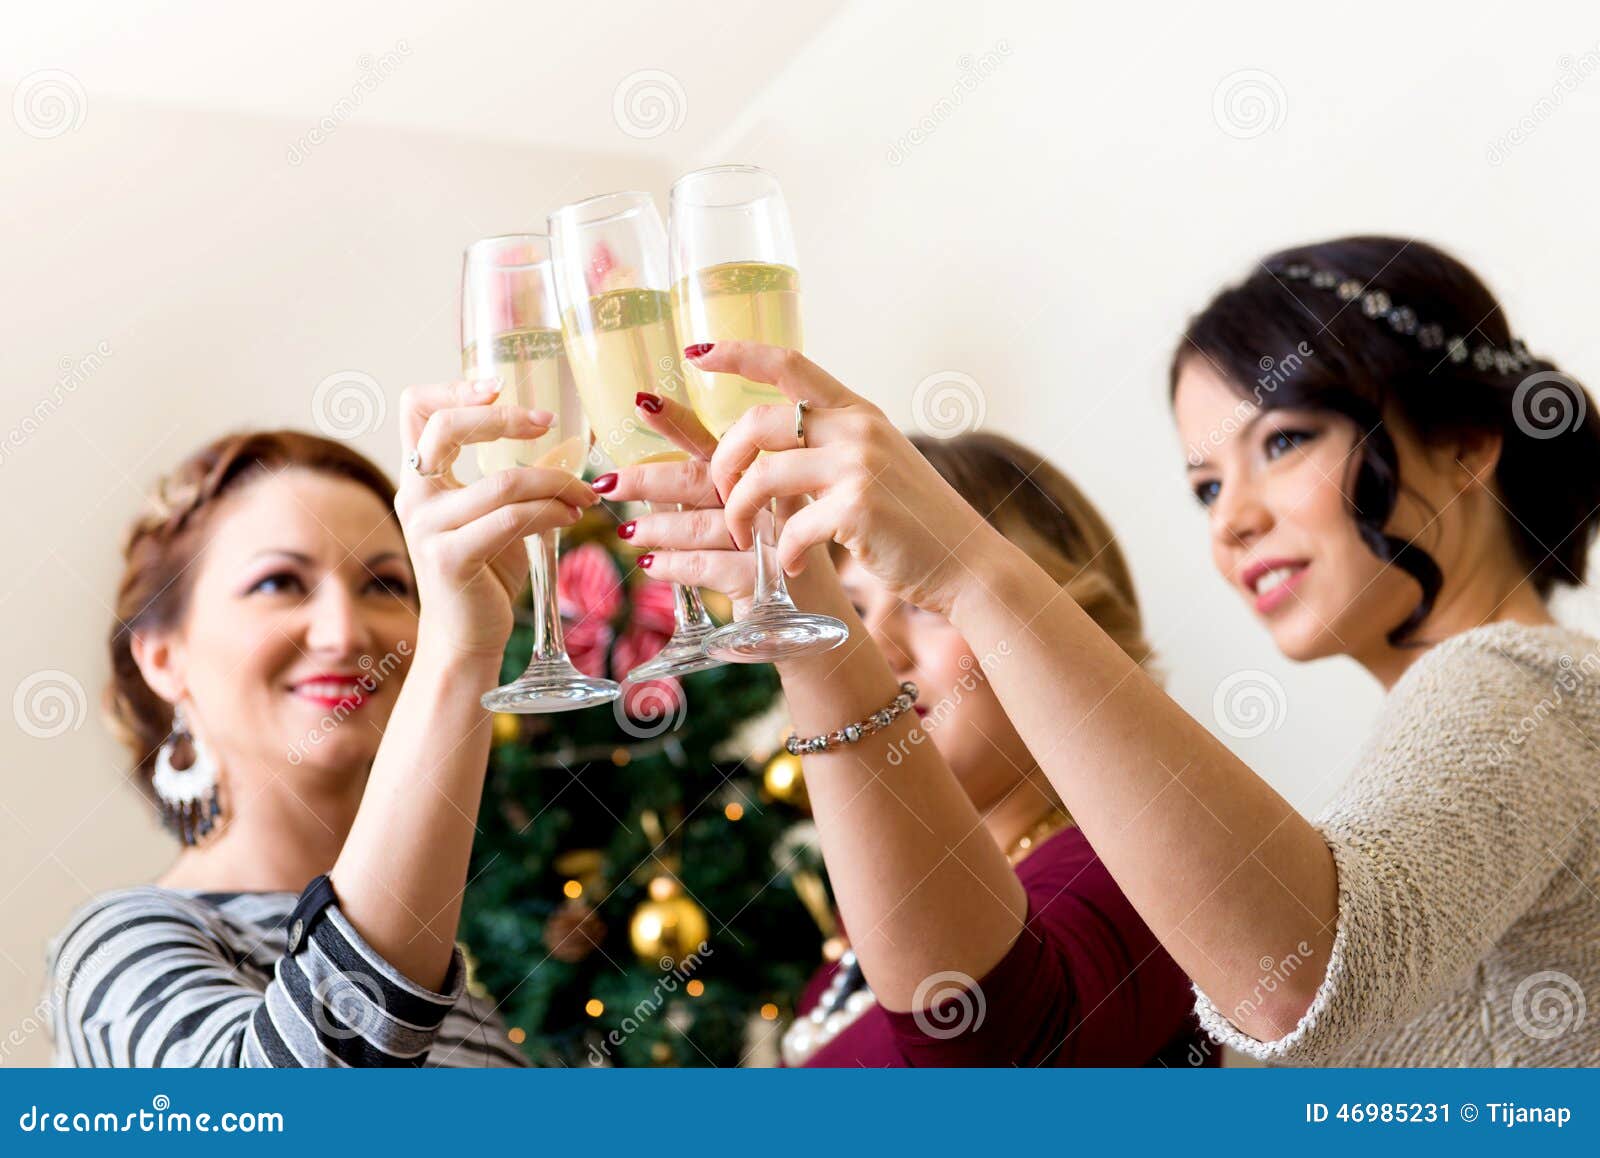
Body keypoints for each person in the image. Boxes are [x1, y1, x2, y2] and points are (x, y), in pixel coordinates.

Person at [617, 236, 1600, 1066]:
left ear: (1469, 446)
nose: (1236, 521)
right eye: (1207, 487)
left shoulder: (1512, 685)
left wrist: (968, 565)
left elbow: (1304, 983)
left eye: (1286, 441)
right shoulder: (1477, 718)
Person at [604, 416, 1208, 1065]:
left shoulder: (1132, 881)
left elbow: (988, 1068)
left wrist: (821, 658)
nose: (879, 649)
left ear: (1064, 631)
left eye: (925, 603)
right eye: (854, 609)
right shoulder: (859, 941)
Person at [48, 379, 599, 1066]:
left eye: (387, 584)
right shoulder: (117, 947)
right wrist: (460, 655)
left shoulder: (464, 990)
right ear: (164, 657)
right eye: (278, 582)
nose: (343, 633)